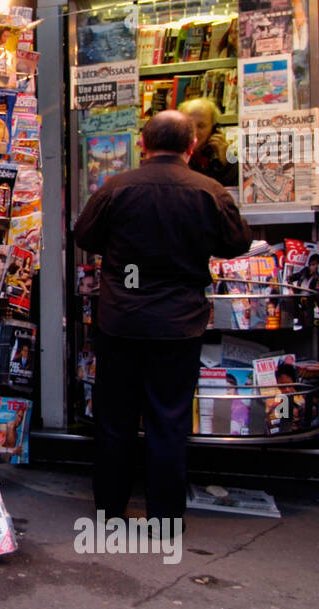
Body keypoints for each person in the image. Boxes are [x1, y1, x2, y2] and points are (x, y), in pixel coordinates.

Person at [74, 110, 253, 529]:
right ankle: (166, 517)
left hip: (121, 321)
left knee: (115, 417)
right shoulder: (208, 191)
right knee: (168, 419)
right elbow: (237, 243)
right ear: (192, 147)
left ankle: (108, 510)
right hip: (179, 324)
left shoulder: (116, 187)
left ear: (143, 145)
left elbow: (85, 235)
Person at [177, 97, 236, 187]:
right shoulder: (171, 156)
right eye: (188, 124)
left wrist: (228, 162)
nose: (194, 132)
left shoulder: (223, 157)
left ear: (213, 129)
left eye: (201, 126)